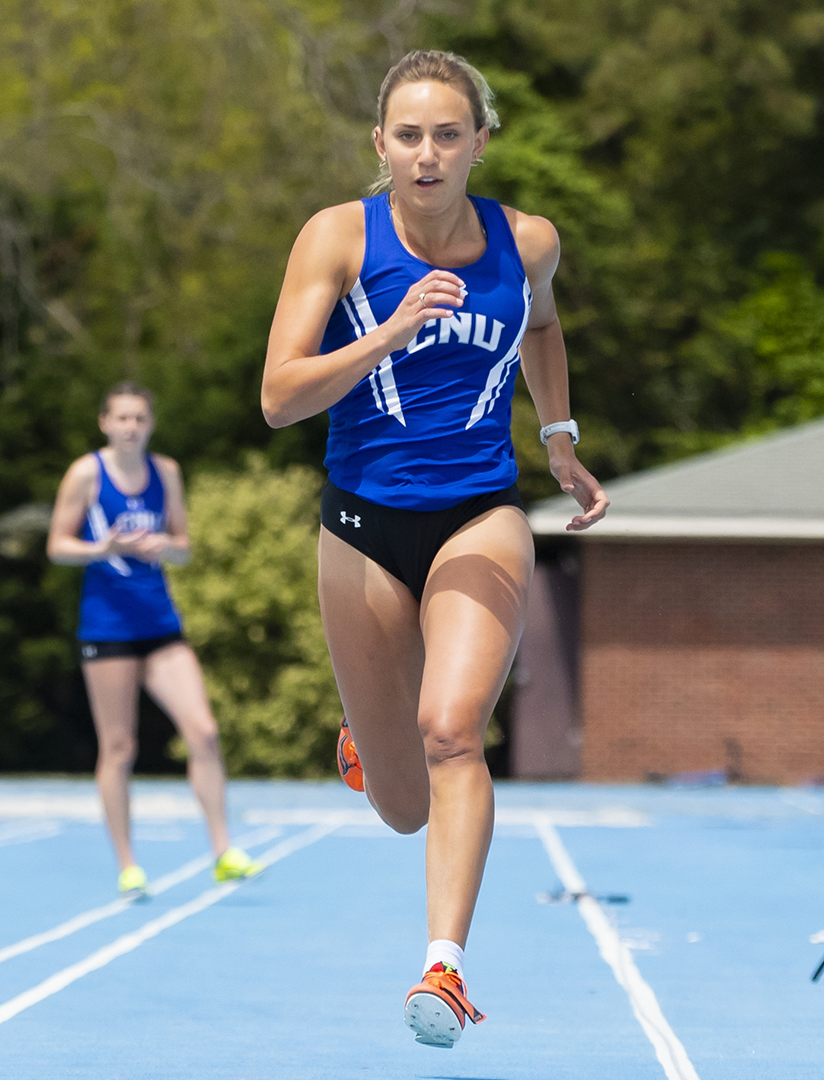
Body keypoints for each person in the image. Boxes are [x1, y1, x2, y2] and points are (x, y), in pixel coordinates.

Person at [260, 50, 608, 1046]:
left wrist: (559, 438)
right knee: (404, 807)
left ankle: (444, 970)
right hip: (362, 527)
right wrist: (391, 331)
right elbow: (280, 398)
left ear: (479, 144)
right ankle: (371, 744)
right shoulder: (336, 239)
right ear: (382, 145)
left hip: (479, 514)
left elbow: (540, 328)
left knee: (454, 730)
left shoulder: (526, 240)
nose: (427, 153)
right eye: (408, 135)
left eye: (447, 134)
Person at [47, 383, 261, 894]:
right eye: (121, 418)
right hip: (107, 628)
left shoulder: (166, 472)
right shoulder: (85, 473)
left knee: (204, 731)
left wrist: (166, 544)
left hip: (161, 624)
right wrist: (105, 548)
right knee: (119, 746)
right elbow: (57, 546)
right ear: (104, 422)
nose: (131, 427)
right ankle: (128, 865)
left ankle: (224, 850)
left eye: (139, 418)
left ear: (150, 424)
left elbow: (185, 549)